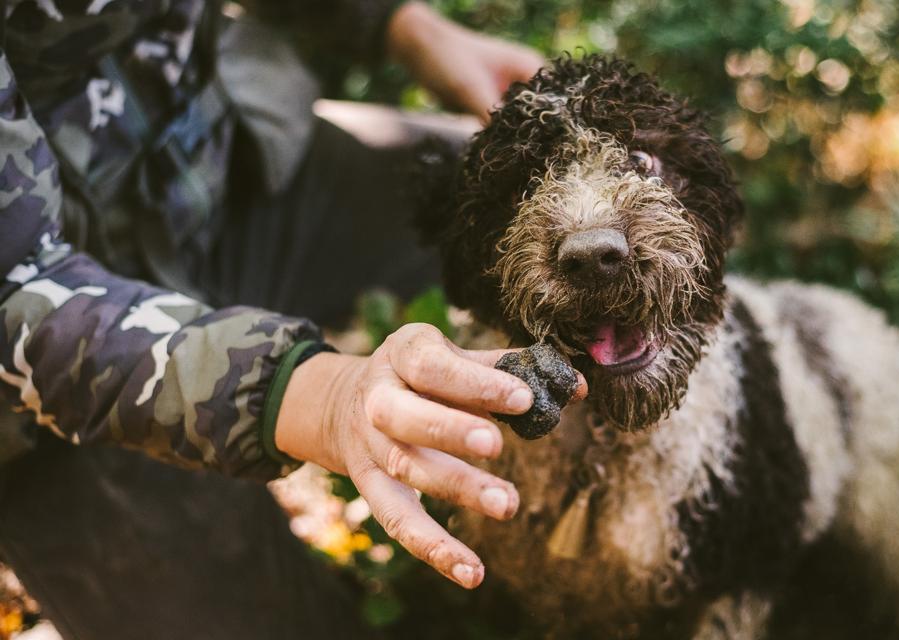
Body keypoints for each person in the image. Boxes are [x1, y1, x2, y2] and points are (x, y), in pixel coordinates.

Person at [0, 1, 562, 637]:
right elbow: (11, 290)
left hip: (227, 163)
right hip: (49, 375)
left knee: (528, 213)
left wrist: (397, 25)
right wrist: (318, 398)